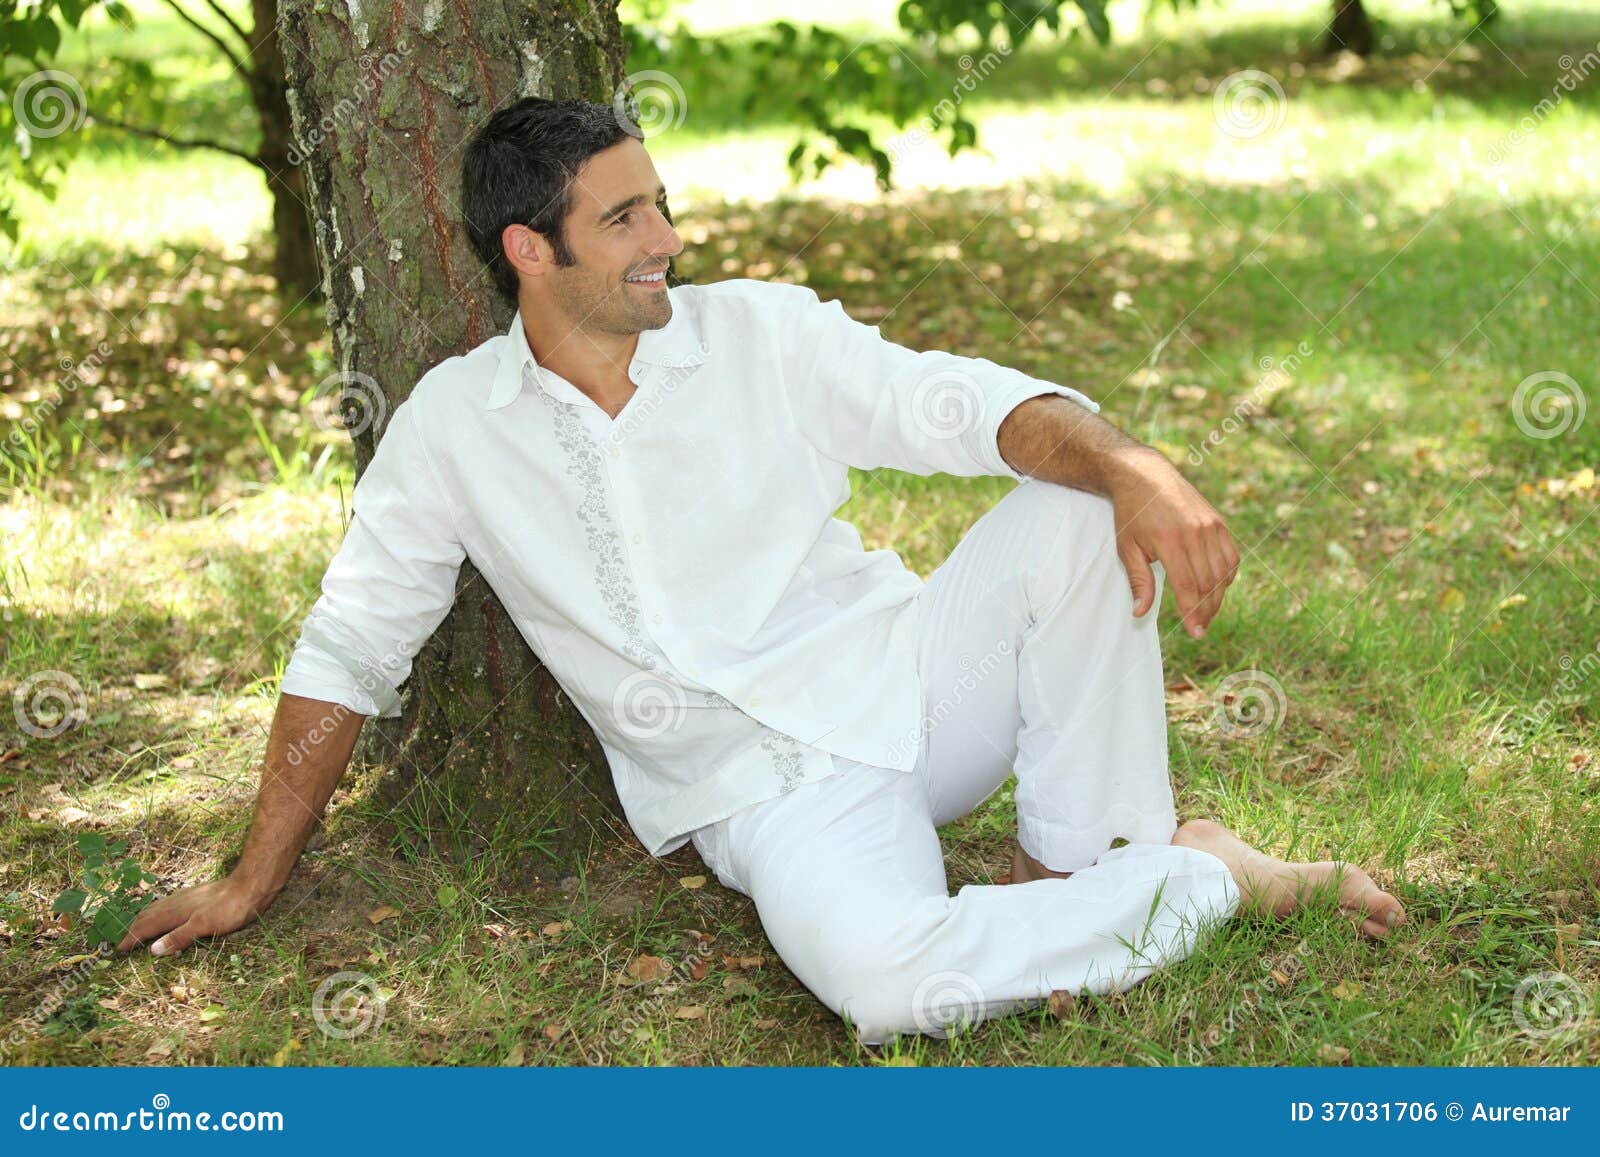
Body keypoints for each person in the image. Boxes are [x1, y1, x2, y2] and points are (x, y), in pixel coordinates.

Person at [116, 97, 1405, 1044]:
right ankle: (1199, 876)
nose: (664, 236)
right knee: (895, 989)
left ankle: (1074, 869)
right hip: (763, 793)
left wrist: (1133, 465)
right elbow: (353, 646)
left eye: (660, 202)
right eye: (622, 218)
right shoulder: (454, 427)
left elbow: (956, 405)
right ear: (527, 249)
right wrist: (253, 873)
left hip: (907, 685)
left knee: (1072, 510)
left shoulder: (759, 335)